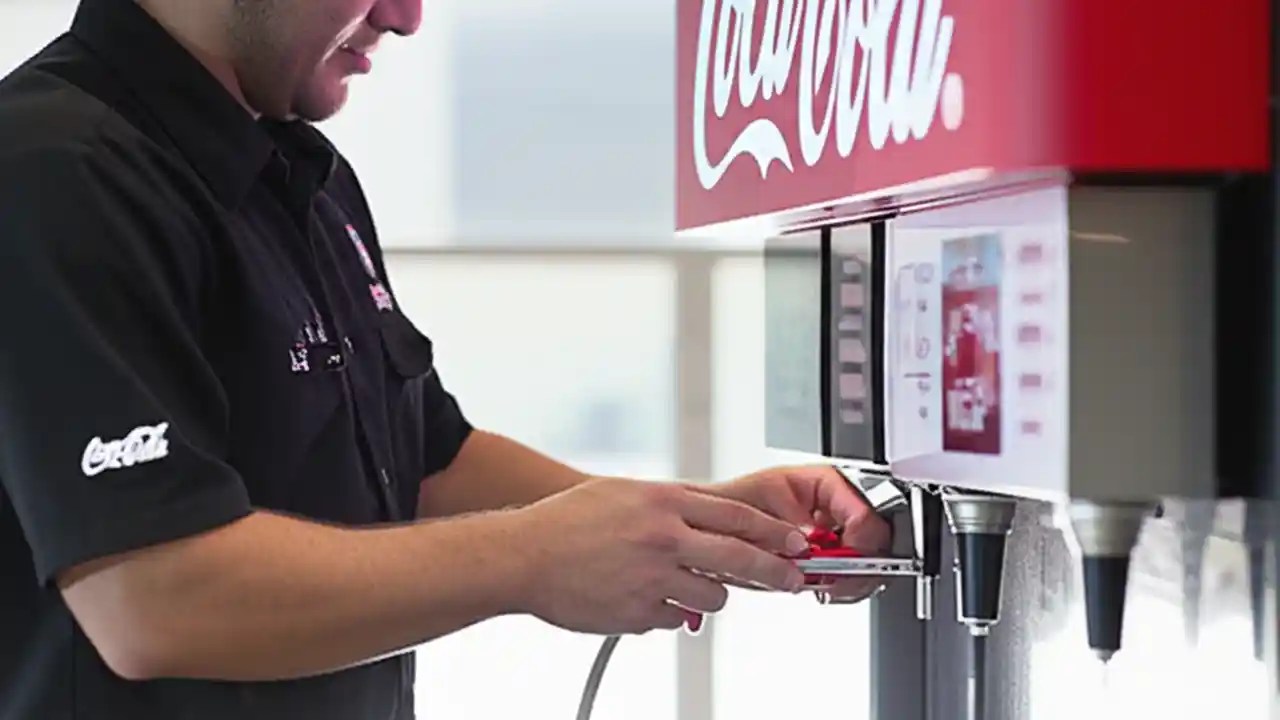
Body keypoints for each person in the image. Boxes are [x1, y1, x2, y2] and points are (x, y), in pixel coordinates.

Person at [0, 0, 891, 718]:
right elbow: (152, 599)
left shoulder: (303, 176)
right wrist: (532, 560)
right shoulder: (55, 171)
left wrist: (700, 521)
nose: (407, 16)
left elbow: (427, 460)